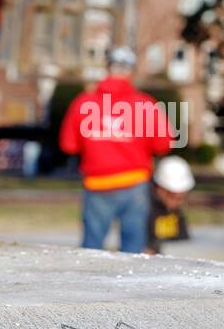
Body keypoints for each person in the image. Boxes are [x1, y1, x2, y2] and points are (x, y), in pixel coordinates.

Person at [59, 46, 173, 252]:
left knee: (91, 250)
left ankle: (87, 284)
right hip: (135, 184)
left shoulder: (83, 103)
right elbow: (163, 145)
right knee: (133, 249)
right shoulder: (145, 105)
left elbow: (68, 145)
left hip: (96, 184)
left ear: (107, 68)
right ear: (131, 71)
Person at [146, 155, 195, 255]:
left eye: (181, 197)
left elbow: (183, 243)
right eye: (172, 195)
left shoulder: (175, 213)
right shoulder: (143, 209)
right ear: (159, 188)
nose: (178, 201)